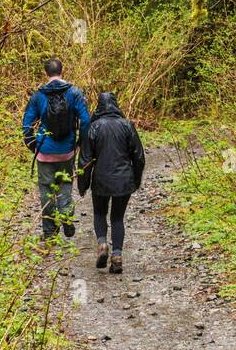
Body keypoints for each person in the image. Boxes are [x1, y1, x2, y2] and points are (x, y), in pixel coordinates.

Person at [22, 58, 90, 242]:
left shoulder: (38, 96)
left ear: (46, 73)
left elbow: (26, 126)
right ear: (62, 71)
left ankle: (50, 232)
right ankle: (66, 216)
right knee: (65, 185)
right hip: (67, 151)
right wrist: (79, 142)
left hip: (45, 151)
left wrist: (34, 146)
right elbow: (85, 120)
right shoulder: (74, 93)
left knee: (46, 190)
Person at [77, 92, 145, 275]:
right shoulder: (127, 126)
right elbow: (138, 156)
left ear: (99, 107)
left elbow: (85, 160)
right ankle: (117, 255)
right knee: (117, 217)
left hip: (101, 179)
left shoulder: (94, 127)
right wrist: (136, 179)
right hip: (124, 180)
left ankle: (102, 244)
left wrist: (83, 185)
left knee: (99, 213)